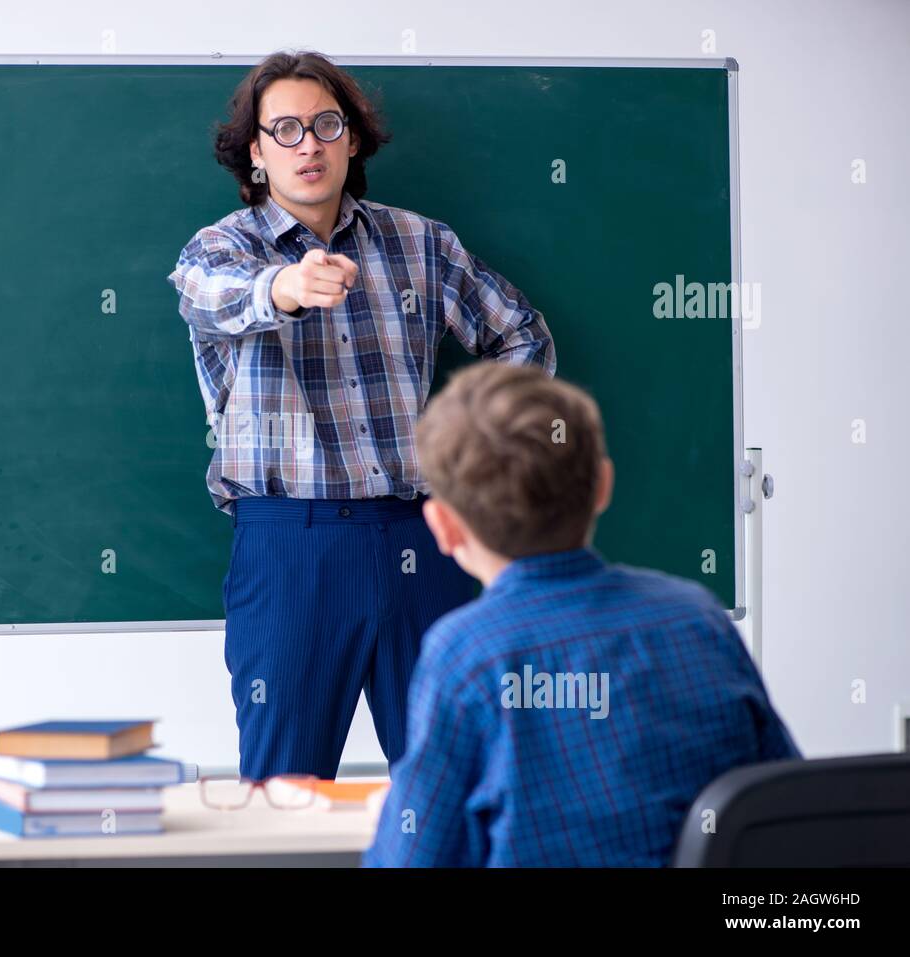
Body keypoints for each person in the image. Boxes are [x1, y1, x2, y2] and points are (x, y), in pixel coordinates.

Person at [166, 50, 555, 779]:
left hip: (424, 536)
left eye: (325, 124)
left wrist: (473, 451)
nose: (307, 143)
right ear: (257, 152)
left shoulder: (422, 244)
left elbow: (521, 336)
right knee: (284, 794)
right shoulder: (219, 249)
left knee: (455, 782)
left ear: (351, 139)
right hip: (291, 550)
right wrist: (286, 284)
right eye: (284, 129)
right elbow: (209, 298)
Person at [362, 362, 800, 866]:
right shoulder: (697, 619)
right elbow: (780, 807)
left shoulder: (466, 654)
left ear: (443, 527)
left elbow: (412, 860)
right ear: (604, 486)